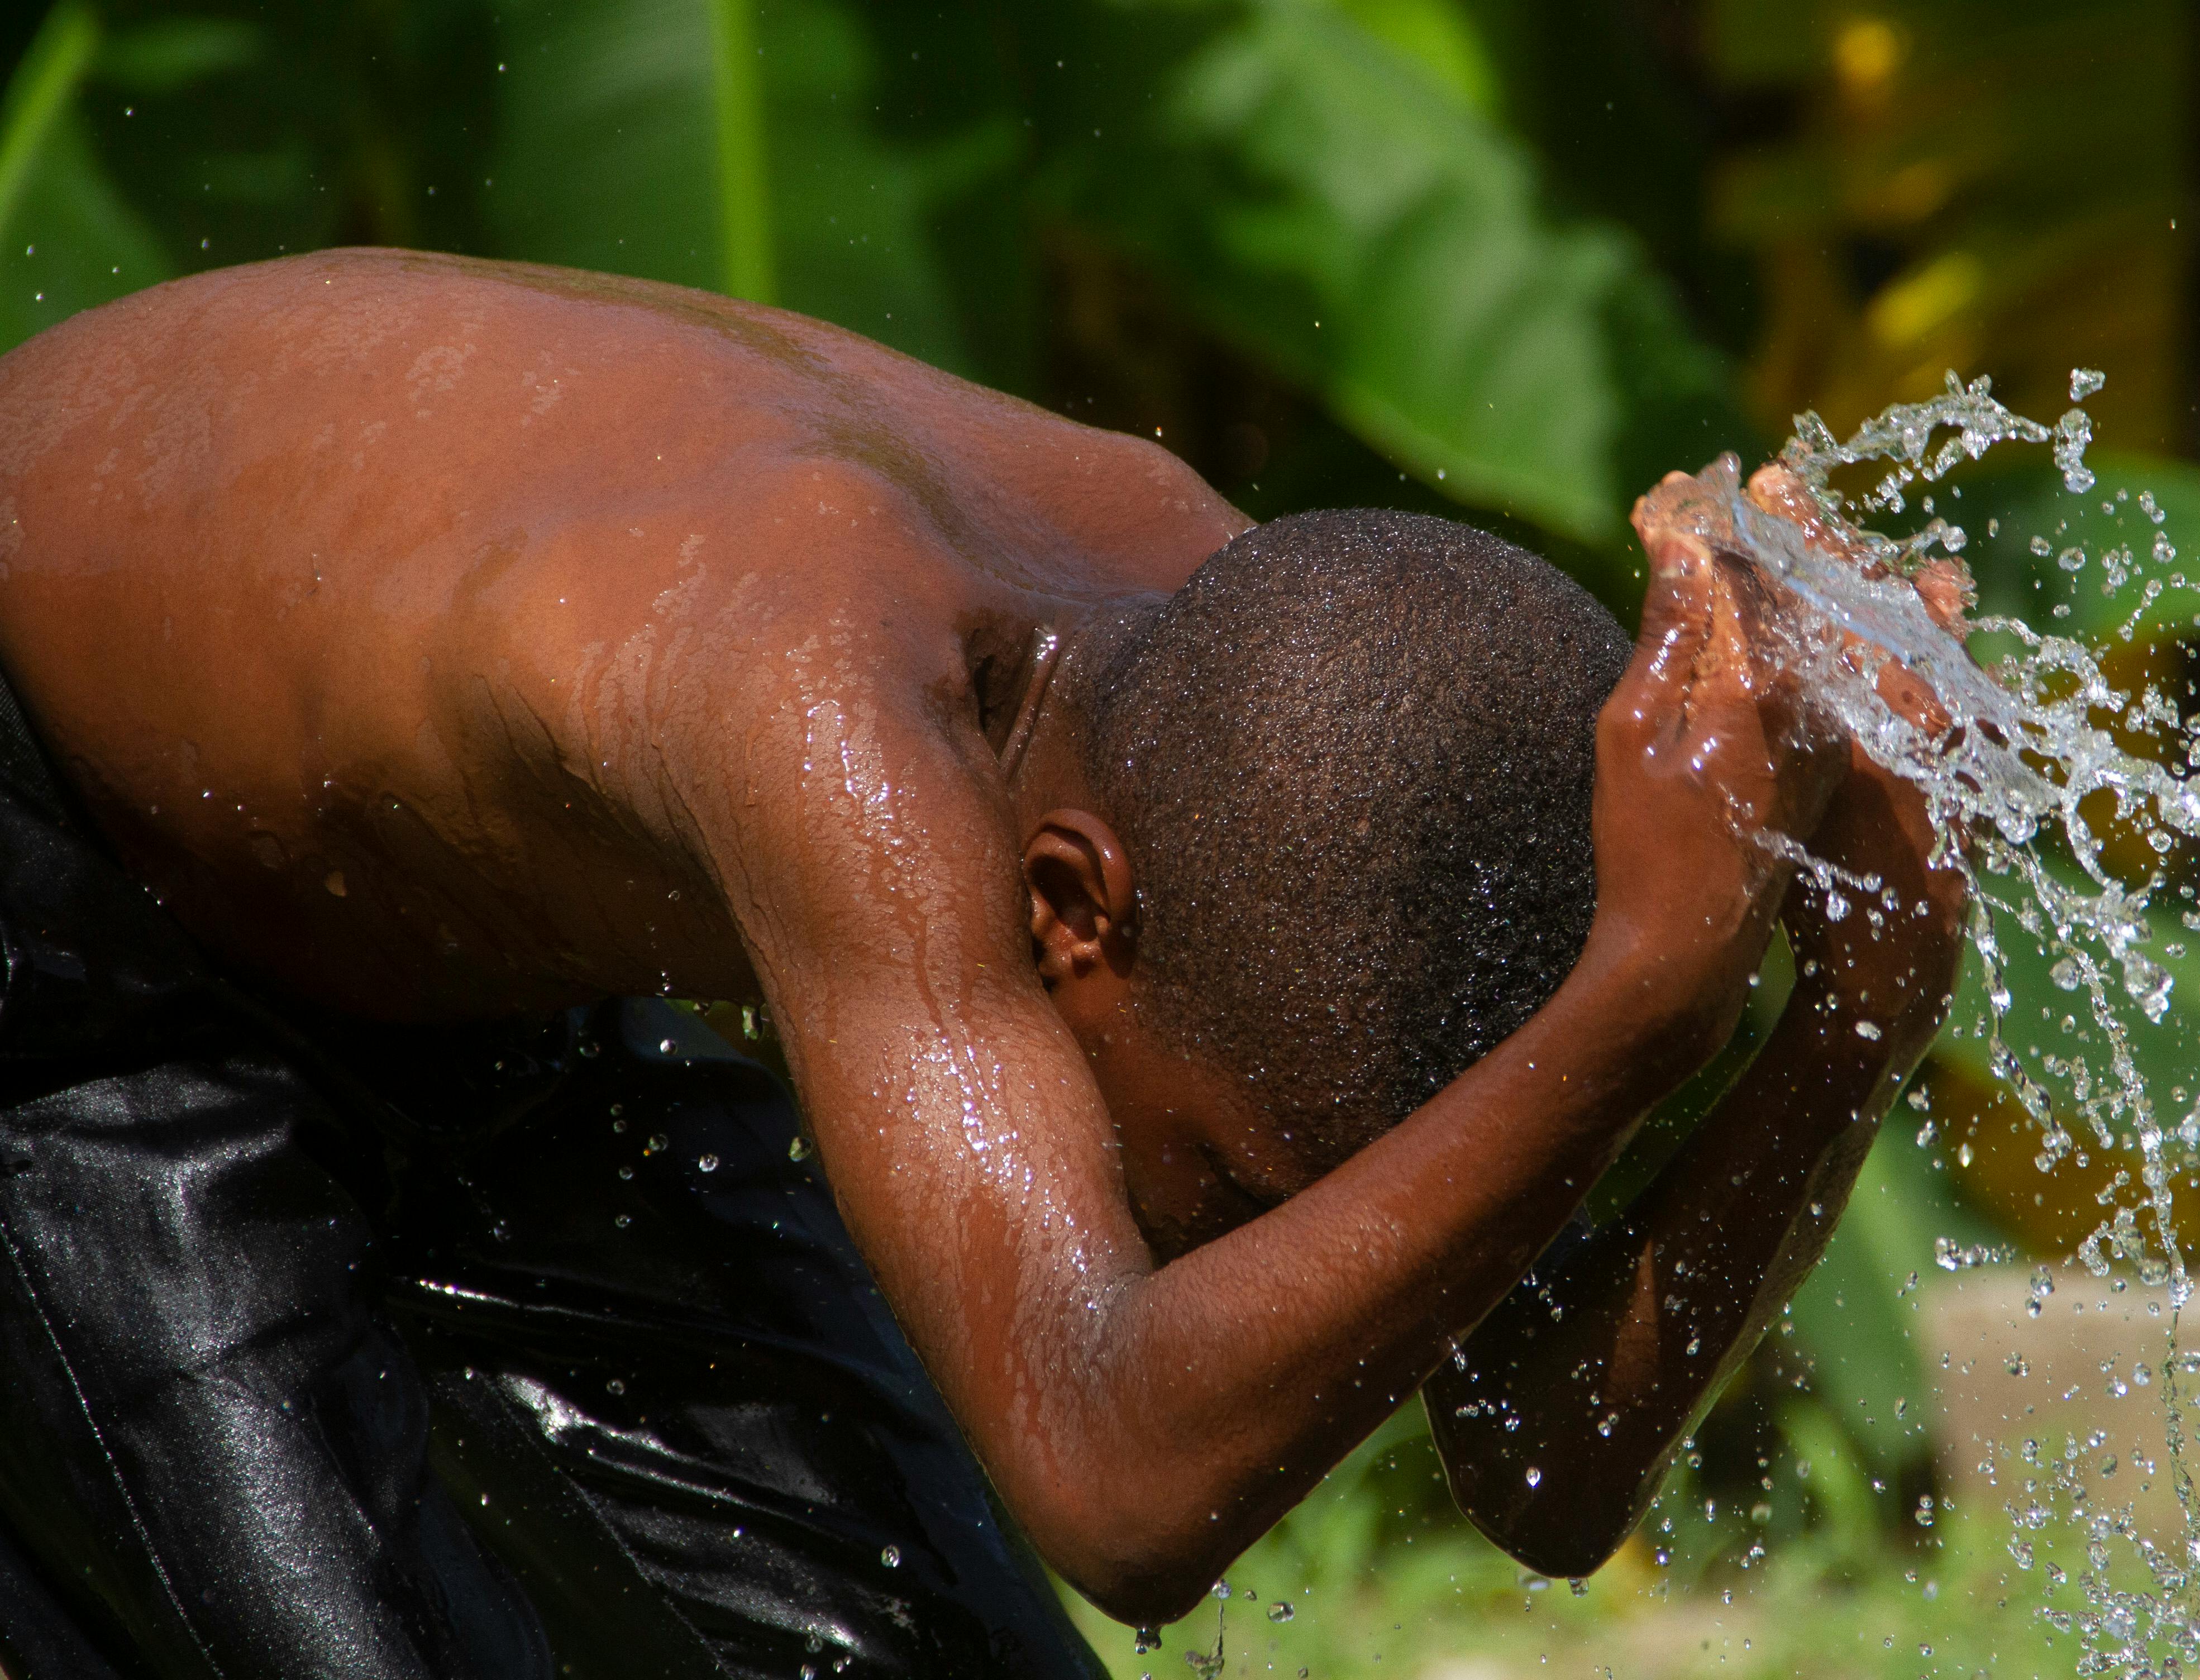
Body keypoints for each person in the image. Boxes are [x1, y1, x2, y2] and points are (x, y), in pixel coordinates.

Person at [0, 250, 1963, 1678]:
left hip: (443, 973)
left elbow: (1536, 1465)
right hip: (59, 929)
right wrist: (1640, 1006)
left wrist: (1861, 996)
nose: (1233, 1253)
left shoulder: (1254, 725)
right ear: (1068, 913)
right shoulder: (830, 705)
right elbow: (1115, 1488)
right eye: (1227, 1188)